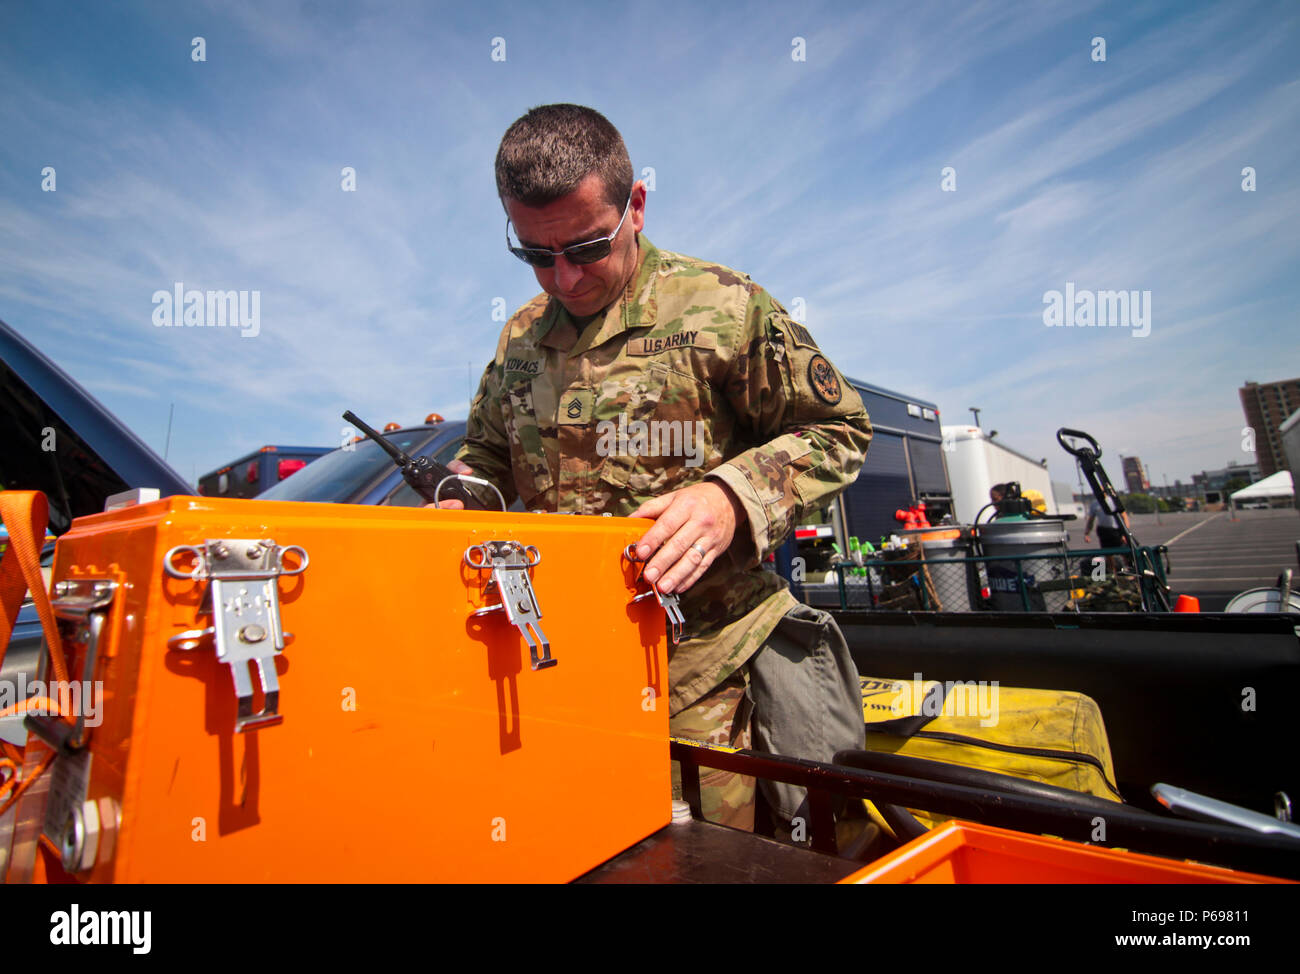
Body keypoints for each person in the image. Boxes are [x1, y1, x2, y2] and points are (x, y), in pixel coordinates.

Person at [439, 104, 873, 834]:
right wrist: (458, 502)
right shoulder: (519, 336)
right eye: (537, 255)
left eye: (585, 247)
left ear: (635, 205)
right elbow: (485, 455)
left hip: (708, 679)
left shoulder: (723, 308)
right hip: (563, 673)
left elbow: (838, 429)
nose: (565, 278)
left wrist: (731, 497)